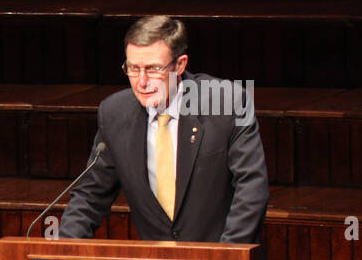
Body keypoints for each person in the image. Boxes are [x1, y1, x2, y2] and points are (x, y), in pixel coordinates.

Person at [58, 15, 269, 247]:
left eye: (153, 69)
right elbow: (90, 195)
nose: (142, 81)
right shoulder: (115, 113)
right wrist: (62, 252)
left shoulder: (225, 103)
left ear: (180, 65)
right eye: (133, 68)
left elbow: (252, 188)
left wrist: (225, 258)